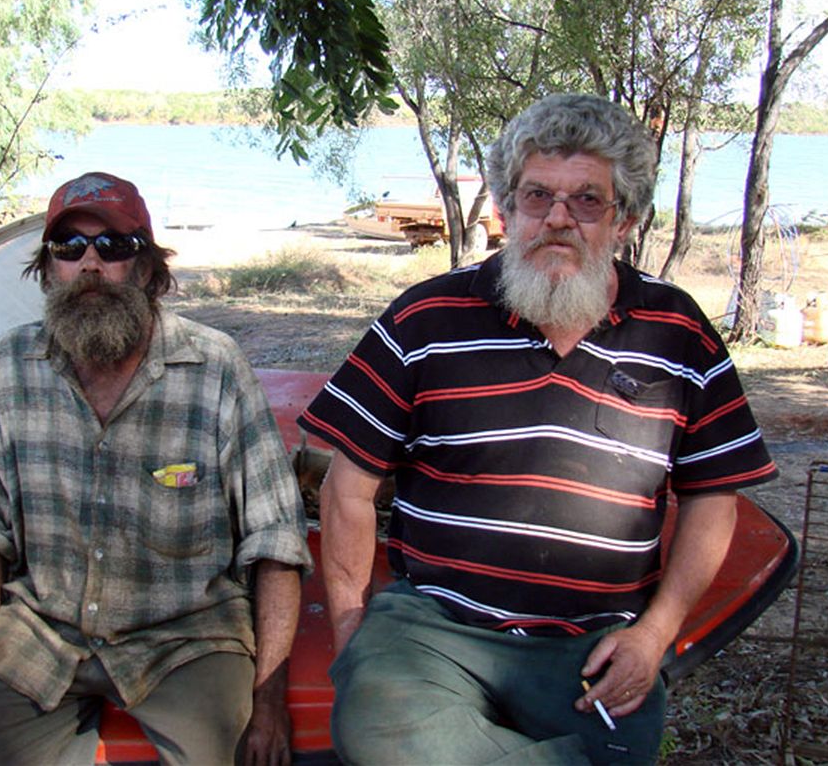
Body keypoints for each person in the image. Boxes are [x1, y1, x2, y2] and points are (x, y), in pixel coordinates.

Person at [299, 94, 778, 765]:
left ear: (626, 220)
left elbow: (713, 497)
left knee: (616, 740)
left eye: (587, 201)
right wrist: (354, 635)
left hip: (592, 645)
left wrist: (655, 634)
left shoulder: (679, 333)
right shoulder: (424, 321)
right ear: (504, 211)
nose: (557, 218)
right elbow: (347, 489)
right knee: (380, 723)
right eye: (536, 197)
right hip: (436, 628)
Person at [0, 172, 313, 766]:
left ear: (146, 268)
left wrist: (268, 702)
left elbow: (275, 541)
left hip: (187, 637)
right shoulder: (9, 369)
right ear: (48, 269)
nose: (90, 264)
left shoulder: (214, 368)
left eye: (112, 247)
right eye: (69, 248)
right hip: (46, 632)